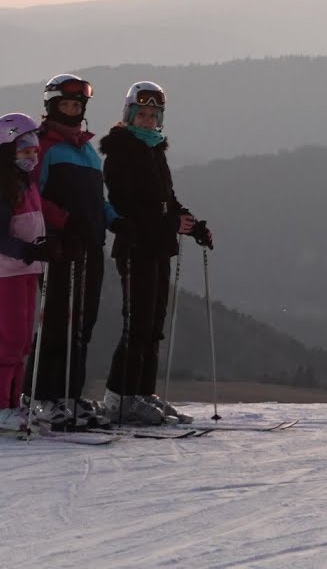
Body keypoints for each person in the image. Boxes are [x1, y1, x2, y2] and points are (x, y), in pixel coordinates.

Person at [98, 81, 214, 425]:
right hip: (135, 247)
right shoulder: (120, 153)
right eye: (142, 114)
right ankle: (121, 397)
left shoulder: (153, 151)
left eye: (153, 115)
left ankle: (142, 392)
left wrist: (192, 226)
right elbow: (125, 207)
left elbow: (168, 201)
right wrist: (170, 224)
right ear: (129, 115)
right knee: (137, 324)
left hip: (158, 247)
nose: (148, 120)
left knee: (153, 325)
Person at [25, 73, 134, 429]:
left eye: (77, 105)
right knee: (57, 321)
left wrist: (114, 220)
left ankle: (70, 395)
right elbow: (32, 195)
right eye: (65, 104)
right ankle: (41, 398)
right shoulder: (44, 147)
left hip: (90, 246)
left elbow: (95, 200)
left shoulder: (87, 150)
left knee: (83, 323)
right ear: (51, 107)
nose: (72, 110)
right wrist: (62, 221)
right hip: (58, 248)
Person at [0, 112, 61, 431]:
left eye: (35, 151)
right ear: (6, 150)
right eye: (24, 151)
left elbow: (37, 218)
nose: (32, 158)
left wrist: (60, 234)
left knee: (22, 342)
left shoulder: (23, 181)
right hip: (4, 272)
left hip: (25, 269)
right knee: (8, 340)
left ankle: (10, 402)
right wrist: (32, 251)